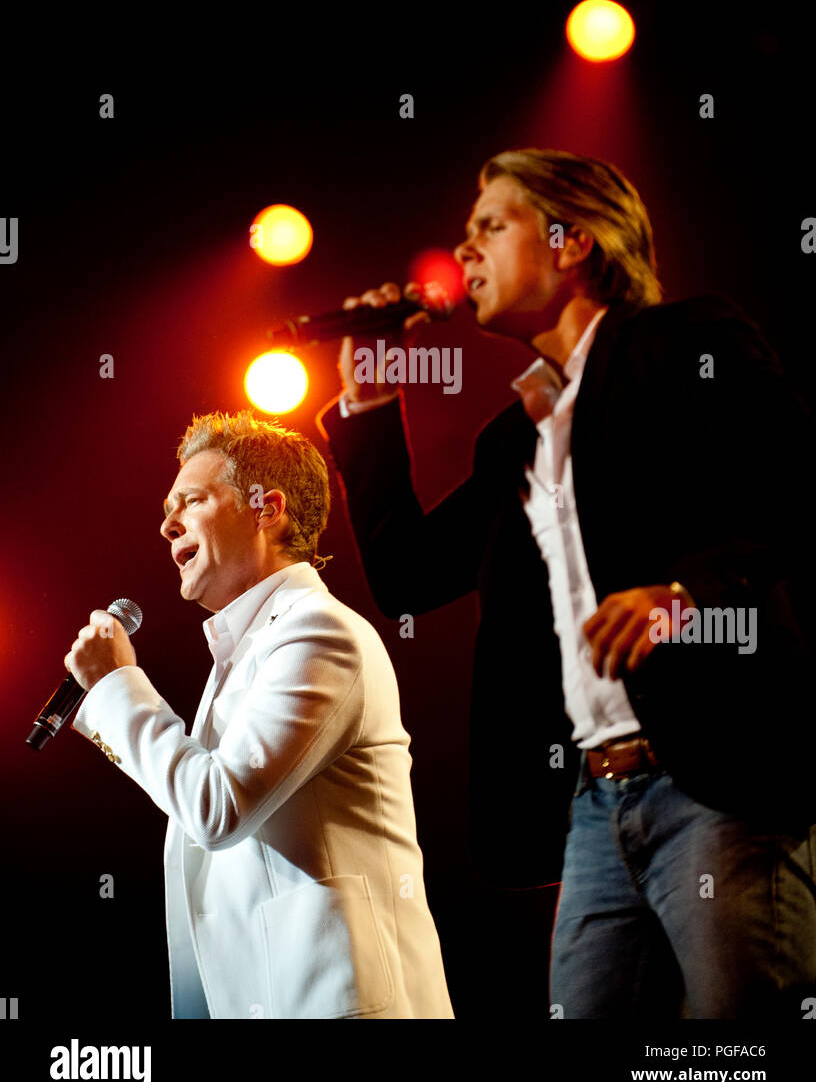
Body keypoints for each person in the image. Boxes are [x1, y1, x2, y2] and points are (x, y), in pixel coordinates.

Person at [317, 148, 816, 1018]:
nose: (464, 251)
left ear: (570, 240)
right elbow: (406, 575)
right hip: (593, 804)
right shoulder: (513, 437)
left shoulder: (685, 342)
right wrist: (368, 398)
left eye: (490, 226)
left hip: (713, 783)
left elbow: (800, 482)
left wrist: (689, 592)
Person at [64, 410, 454, 1020]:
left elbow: (216, 808)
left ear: (265, 509)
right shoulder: (245, 649)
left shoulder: (320, 632)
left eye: (190, 501)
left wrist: (116, 685)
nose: (167, 525)